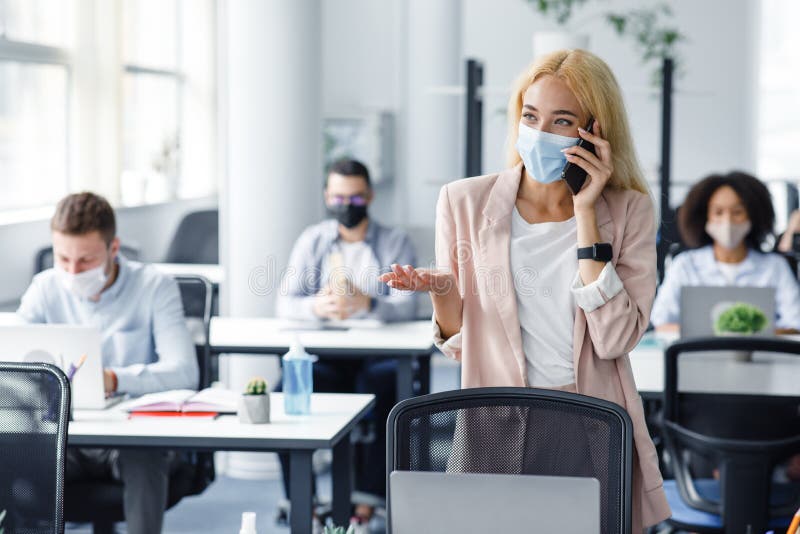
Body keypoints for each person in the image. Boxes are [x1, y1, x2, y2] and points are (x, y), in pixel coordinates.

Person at [379, 49, 670, 531]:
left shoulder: (629, 211)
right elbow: (459, 344)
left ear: (594, 130)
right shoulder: (463, 201)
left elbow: (616, 340)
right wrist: (443, 292)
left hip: (587, 419)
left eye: (562, 121)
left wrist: (586, 213)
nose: (539, 133)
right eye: (531, 116)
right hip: (490, 418)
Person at [17, 192, 199, 534]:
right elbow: (13, 360)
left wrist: (114, 379)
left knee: (144, 458)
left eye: (86, 260)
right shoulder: (45, 288)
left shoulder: (154, 286)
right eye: (63, 258)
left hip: (132, 438)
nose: (73, 271)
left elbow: (185, 372)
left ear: (113, 249)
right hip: (68, 438)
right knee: (17, 458)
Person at [275, 158, 417, 523]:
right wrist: (316, 307)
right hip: (327, 355)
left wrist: (368, 303)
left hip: (378, 356)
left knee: (388, 388)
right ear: (327, 197)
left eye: (355, 199)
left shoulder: (395, 242)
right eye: (339, 198)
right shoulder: (313, 240)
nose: (346, 206)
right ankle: (302, 503)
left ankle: (366, 501)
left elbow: (408, 305)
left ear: (369, 196)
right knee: (284, 393)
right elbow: (285, 302)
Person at [651, 171, 800, 332]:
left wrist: (747, 334)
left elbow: (795, 323)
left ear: (753, 215)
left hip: (762, 349)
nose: (727, 221)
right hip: (697, 348)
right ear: (705, 217)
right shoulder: (685, 265)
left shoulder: (775, 267)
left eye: (737, 212)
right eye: (718, 212)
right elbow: (661, 321)